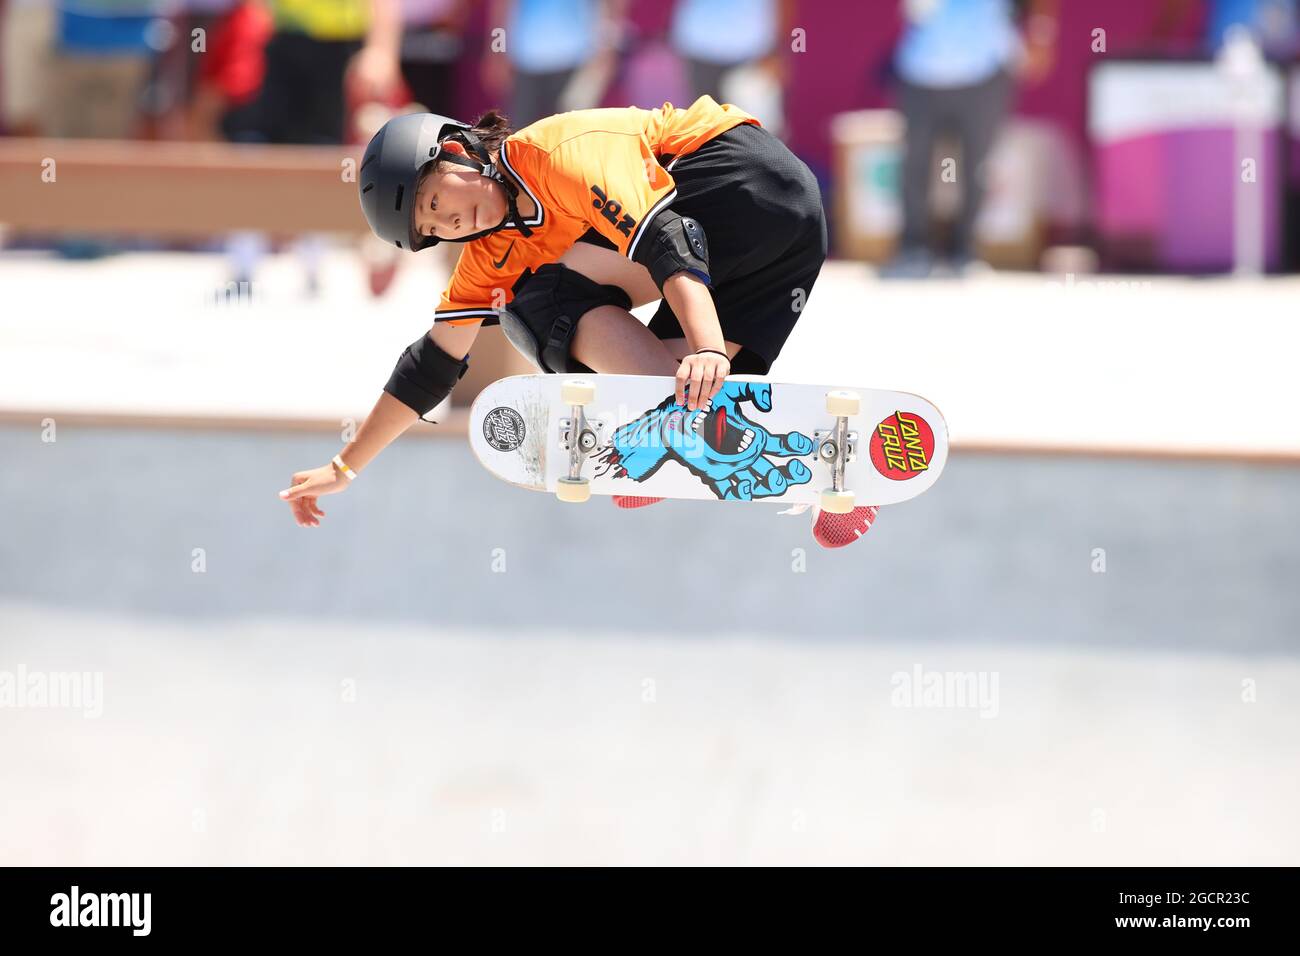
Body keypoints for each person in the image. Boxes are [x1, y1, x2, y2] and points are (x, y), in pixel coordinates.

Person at [279, 96, 878, 549]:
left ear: (458, 151)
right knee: (697, 389)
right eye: (435, 230)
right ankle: (779, 458)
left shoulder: (557, 155)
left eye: (438, 203)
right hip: (789, 242)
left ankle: (665, 411)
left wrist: (709, 348)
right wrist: (345, 466)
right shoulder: (487, 254)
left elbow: (668, 237)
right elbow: (432, 363)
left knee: (530, 298)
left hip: (737, 178)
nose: (453, 225)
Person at [882, 0, 1057, 278]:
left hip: (985, 68)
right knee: (915, 163)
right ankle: (913, 249)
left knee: (977, 165)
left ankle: (964, 251)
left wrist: (1041, 35)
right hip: (920, 69)